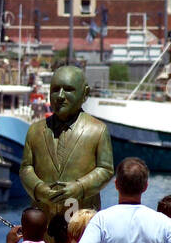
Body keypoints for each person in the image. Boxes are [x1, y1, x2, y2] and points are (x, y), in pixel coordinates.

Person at [18, 64, 115, 224]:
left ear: (85, 94)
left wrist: (79, 187)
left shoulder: (97, 130)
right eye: (55, 89)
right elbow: (26, 168)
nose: (60, 96)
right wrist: (38, 189)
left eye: (68, 89)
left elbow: (105, 169)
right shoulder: (35, 130)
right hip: (43, 224)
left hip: (82, 225)